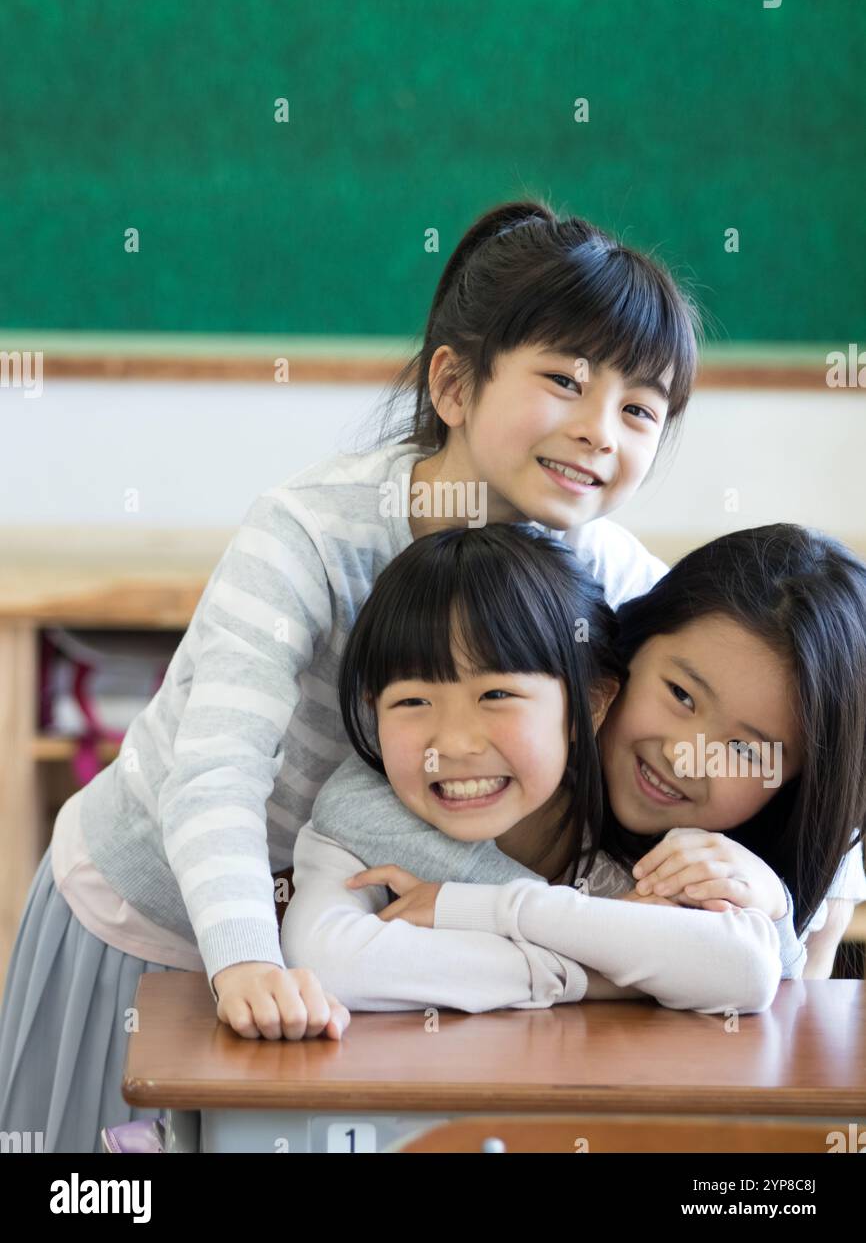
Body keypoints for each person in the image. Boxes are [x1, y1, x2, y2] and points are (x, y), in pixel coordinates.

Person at [0, 196, 702, 1150]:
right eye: (565, 381)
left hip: (337, 954)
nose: (600, 432)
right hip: (152, 925)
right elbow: (217, 772)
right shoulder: (312, 534)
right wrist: (242, 959)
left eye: (638, 409)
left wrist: (810, 902)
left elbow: (770, 699)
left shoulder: (604, 568)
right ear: (454, 386)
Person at [300, 523, 866, 1002]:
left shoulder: (708, 867)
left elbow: (752, 971)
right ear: (620, 661)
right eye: (681, 694)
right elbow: (335, 946)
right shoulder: (420, 785)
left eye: (744, 751)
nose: (685, 758)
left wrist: (777, 908)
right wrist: (604, 970)